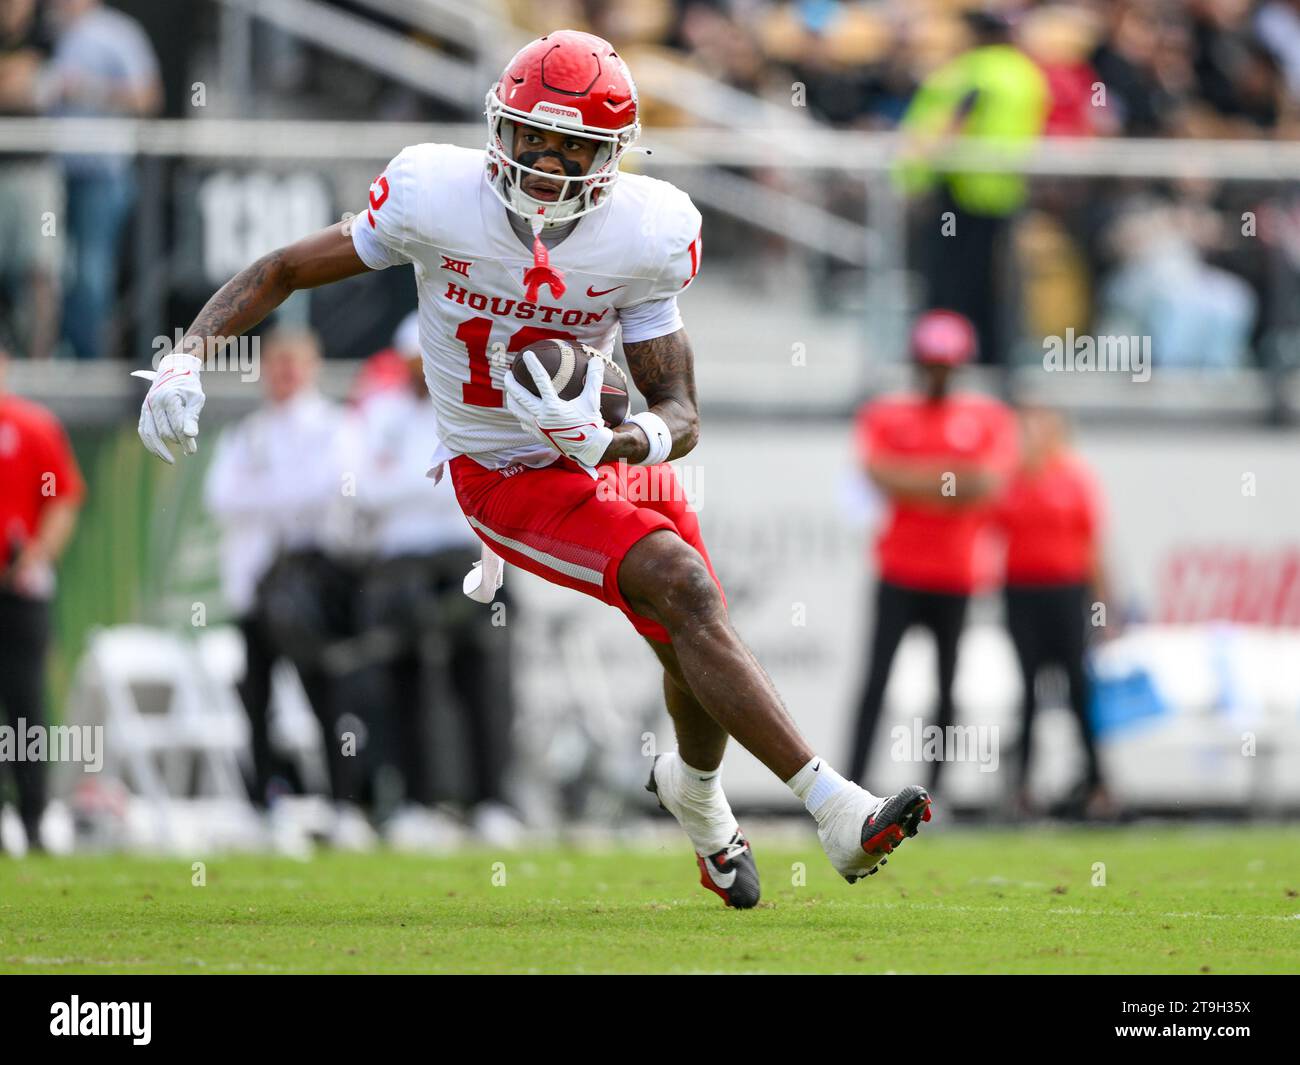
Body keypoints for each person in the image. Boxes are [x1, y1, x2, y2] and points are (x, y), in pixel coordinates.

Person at [132, 29, 933, 909]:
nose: (547, 165)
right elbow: (284, 267)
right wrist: (186, 356)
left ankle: (698, 797)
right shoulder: (435, 196)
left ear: (613, 155)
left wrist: (617, 444)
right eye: (531, 139)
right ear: (497, 130)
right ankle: (833, 808)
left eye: (574, 147)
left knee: (687, 616)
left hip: (594, 447)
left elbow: (680, 414)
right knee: (678, 583)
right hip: (499, 468)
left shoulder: (646, 231)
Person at [348, 318, 521, 847]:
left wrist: (411, 488)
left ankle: (492, 801)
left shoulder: (474, 410)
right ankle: (416, 802)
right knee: (404, 684)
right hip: (401, 565)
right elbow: (363, 489)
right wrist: (425, 488)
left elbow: (485, 484)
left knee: (483, 682)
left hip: (465, 558)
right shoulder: (381, 413)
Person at [202, 327, 372, 849]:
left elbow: (335, 486)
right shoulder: (248, 433)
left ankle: (343, 804)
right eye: (276, 363)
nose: (284, 374)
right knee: (255, 700)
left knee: (326, 696)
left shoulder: (334, 425)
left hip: (308, 590)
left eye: (293, 363)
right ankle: (262, 802)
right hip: (255, 589)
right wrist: (282, 496)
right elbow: (221, 496)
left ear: (312, 366)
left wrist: (270, 494)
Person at [847, 310, 1017, 796]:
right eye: (931, 363)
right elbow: (877, 474)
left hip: (956, 573)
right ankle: (853, 785)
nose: (938, 372)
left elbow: (986, 484)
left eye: (946, 364)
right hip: (899, 569)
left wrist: (913, 481)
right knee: (875, 680)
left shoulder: (987, 417)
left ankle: (933, 791)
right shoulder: (887, 413)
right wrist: (949, 482)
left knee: (947, 687)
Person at [895, 10, 1048, 365]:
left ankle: (939, 357)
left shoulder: (971, 70)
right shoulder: (1028, 75)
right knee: (993, 284)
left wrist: (912, 176)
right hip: (1005, 192)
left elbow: (948, 125)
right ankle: (994, 357)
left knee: (948, 283)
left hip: (959, 192)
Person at [994, 405, 1115, 820]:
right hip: (1021, 593)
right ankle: (1022, 788)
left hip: (1066, 593)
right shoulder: (1009, 479)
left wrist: (1103, 604)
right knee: (1026, 690)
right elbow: (988, 527)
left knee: (1078, 687)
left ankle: (1098, 784)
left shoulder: (1075, 478)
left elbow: (1093, 545)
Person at [0, 345, 84, 854]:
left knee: (26, 708)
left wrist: (35, 555)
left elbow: (63, 497)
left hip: (20, 592)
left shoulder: (32, 426)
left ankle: (33, 815)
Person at [45, 0, 161, 359]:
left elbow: (149, 97)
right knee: (51, 272)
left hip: (102, 177)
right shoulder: (51, 29)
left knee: (91, 275)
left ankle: (91, 363)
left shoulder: (118, 32)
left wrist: (89, 90)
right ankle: (59, 360)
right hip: (54, 173)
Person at [0, 0, 61, 361]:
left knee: (40, 272)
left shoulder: (47, 31)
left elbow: (28, 87)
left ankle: (40, 367)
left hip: (34, 171)